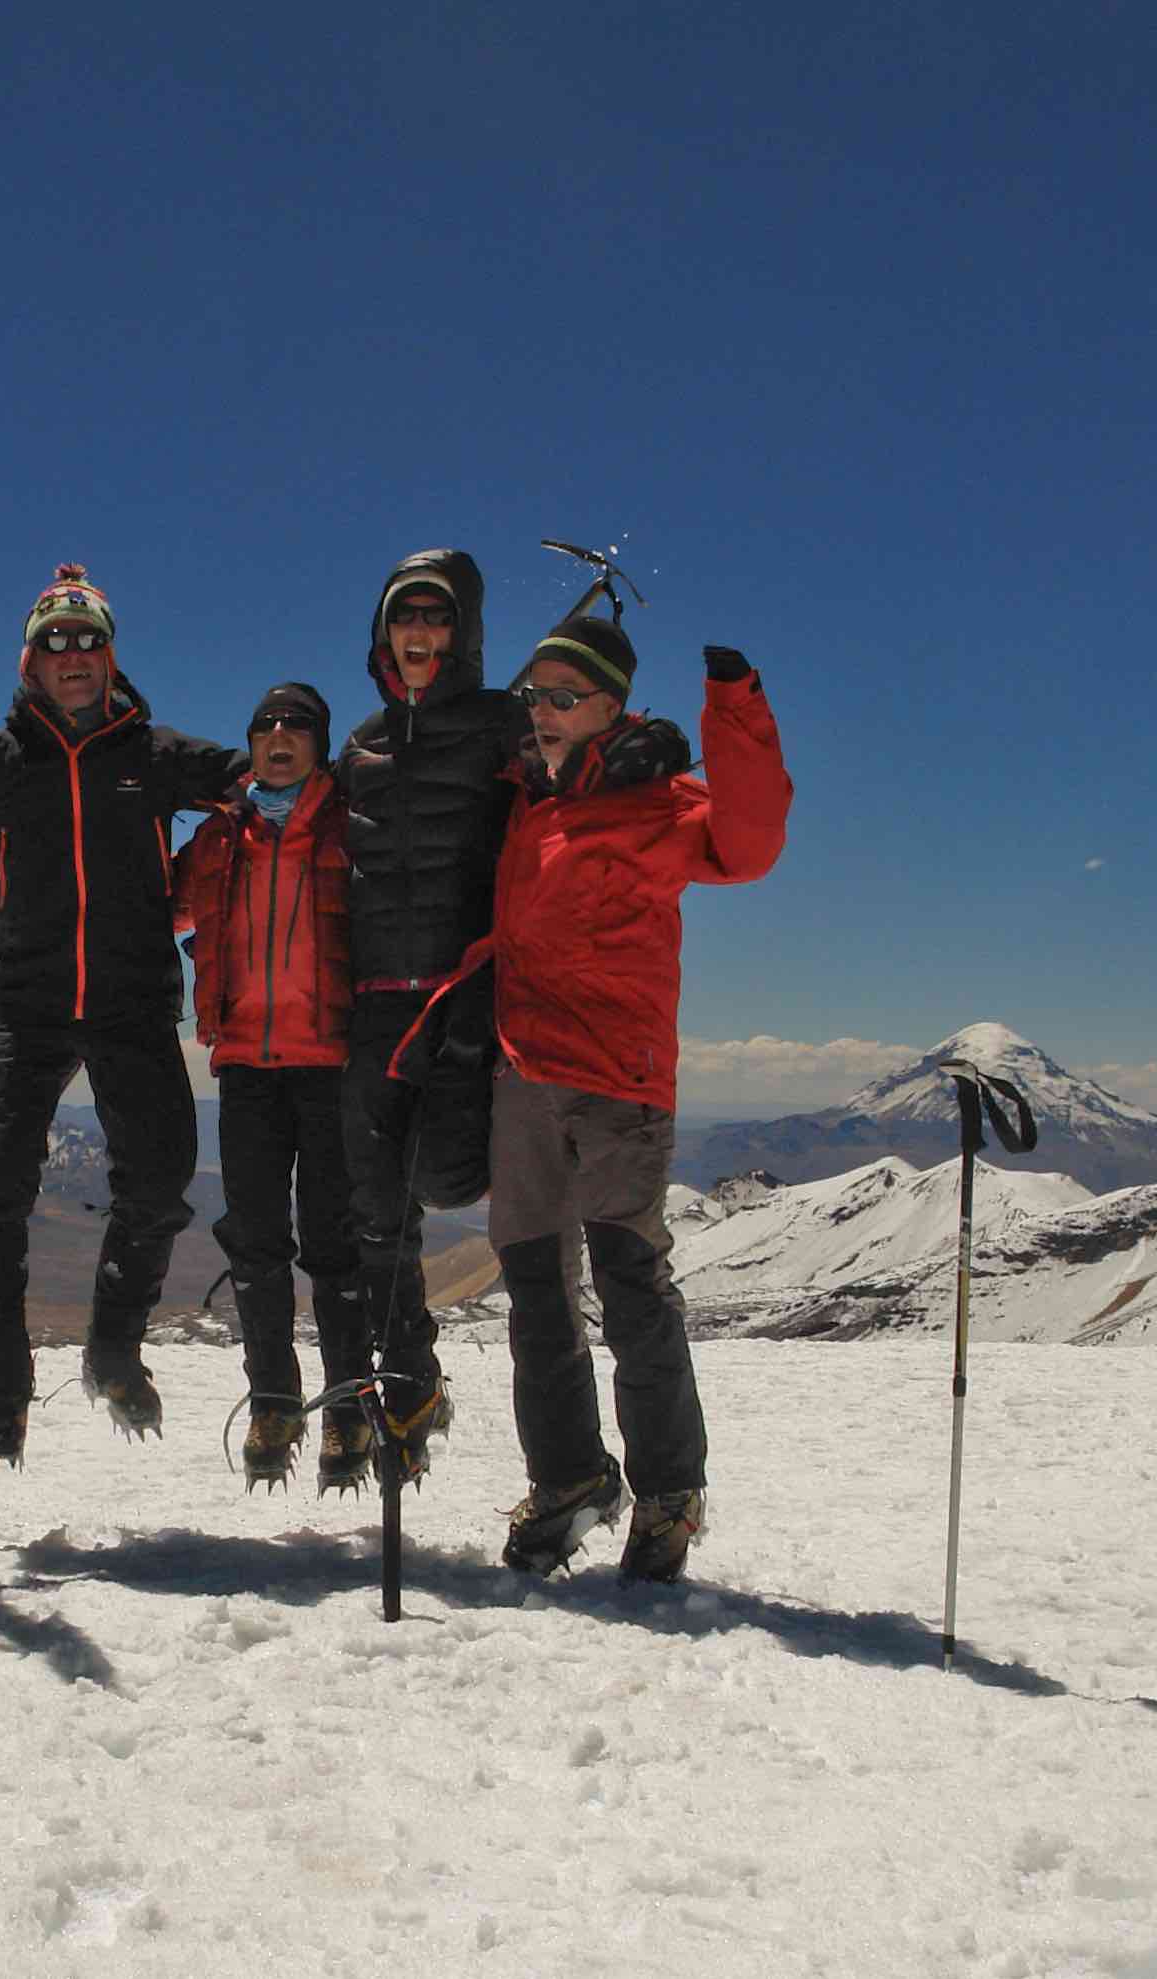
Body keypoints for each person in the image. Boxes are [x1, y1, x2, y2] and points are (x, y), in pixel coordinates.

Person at [403, 616, 789, 1582]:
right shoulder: (528, 802)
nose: (542, 710)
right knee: (535, 1289)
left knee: (629, 1285)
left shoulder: (656, 799)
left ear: (611, 707)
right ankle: (570, 1477)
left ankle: (669, 1493)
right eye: (534, 694)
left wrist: (733, 708)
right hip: (522, 1078)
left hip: (618, 1080)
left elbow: (749, 846)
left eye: (564, 696)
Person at [0, 565, 245, 1464]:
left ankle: (113, 1348)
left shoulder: (153, 755)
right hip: (26, 1007)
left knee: (159, 1182)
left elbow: (263, 774)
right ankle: (0, 1394)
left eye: (88, 641)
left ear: (110, 658)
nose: (73, 654)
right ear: (31, 662)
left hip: (133, 1004)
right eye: (55, 641)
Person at [328, 550, 522, 1488]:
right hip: (373, 1001)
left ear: (464, 631)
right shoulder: (362, 744)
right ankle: (410, 1377)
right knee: (374, 1207)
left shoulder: (503, 724)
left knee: (445, 1175)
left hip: (461, 993)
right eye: (404, 614)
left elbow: (573, 773)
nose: (419, 631)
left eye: (437, 616)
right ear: (382, 631)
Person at [170, 681, 355, 1486]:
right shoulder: (219, 838)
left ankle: (348, 1406)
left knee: (336, 1244)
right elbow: (162, 906)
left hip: (332, 1063)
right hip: (245, 1064)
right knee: (255, 1243)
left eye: (297, 727)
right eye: (265, 726)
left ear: (320, 745)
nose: (279, 737)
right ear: (250, 745)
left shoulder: (351, 827)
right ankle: (274, 1399)